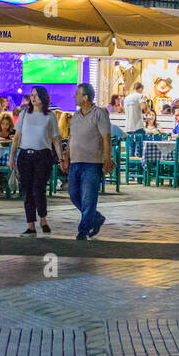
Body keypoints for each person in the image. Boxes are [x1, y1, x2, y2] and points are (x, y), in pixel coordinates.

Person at [9, 86, 67, 236]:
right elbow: (17, 137)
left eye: (36, 95)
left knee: (38, 189)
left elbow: (56, 139)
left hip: (43, 156)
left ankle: (43, 218)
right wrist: (12, 157)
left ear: (43, 97)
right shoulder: (24, 114)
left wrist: (61, 158)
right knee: (27, 191)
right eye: (32, 95)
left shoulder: (50, 116)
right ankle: (31, 226)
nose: (33, 98)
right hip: (25, 156)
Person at [66, 82, 112, 240]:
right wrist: (66, 158)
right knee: (73, 194)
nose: (75, 97)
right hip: (75, 161)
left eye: (77, 94)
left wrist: (107, 158)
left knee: (88, 197)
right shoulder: (76, 116)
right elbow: (71, 137)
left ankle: (83, 229)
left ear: (85, 97)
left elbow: (106, 138)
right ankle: (96, 217)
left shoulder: (99, 114)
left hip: (92, 163)